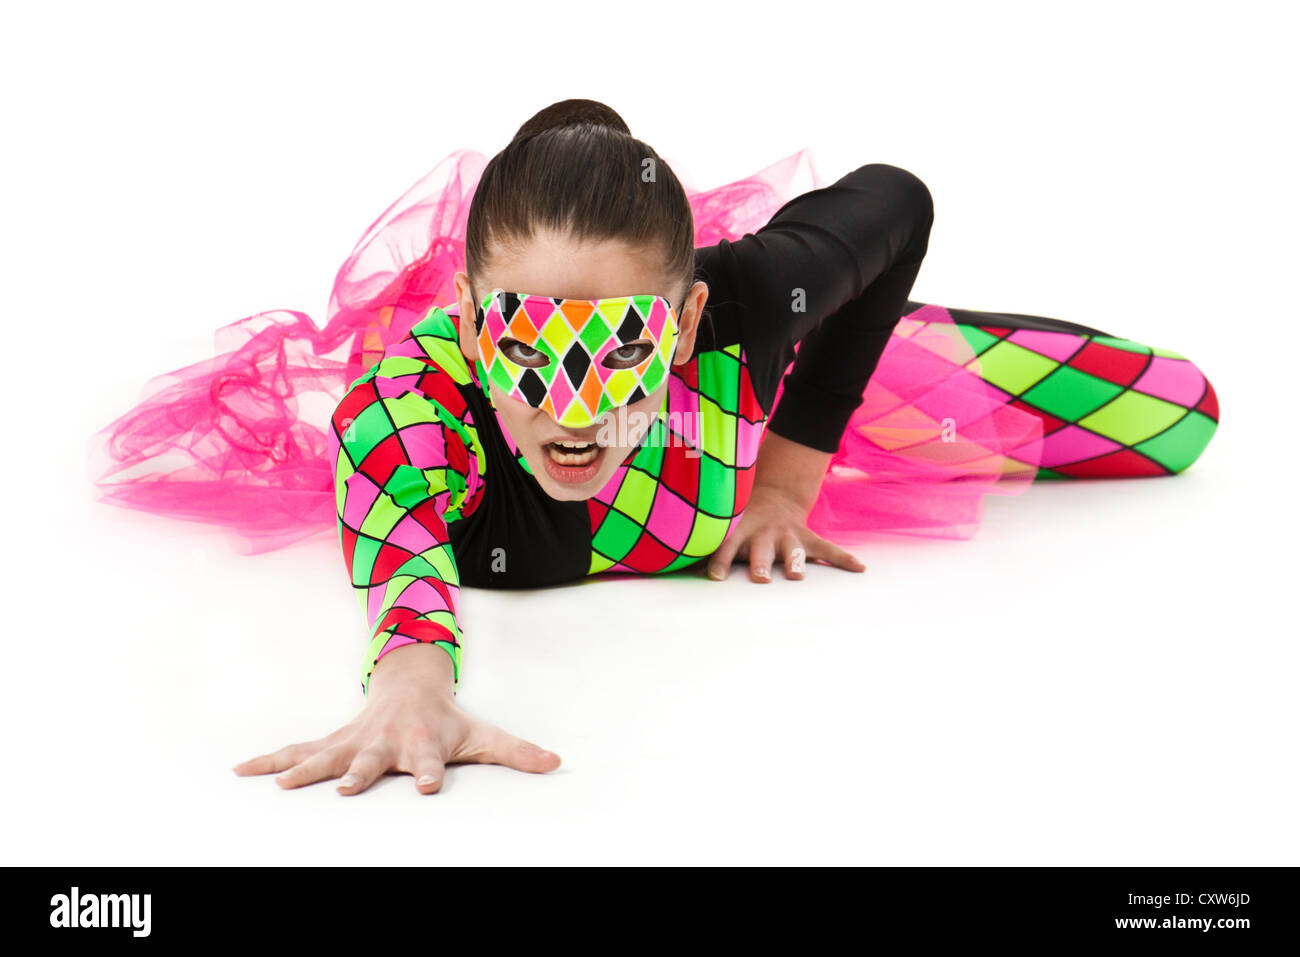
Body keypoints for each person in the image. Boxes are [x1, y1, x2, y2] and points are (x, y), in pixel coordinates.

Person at [91, 99, 1219, 796]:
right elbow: (405, 572)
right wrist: (411, 692)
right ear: (473, 321)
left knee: (1180, 413)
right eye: (529, 348)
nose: (573, 414)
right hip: (610, 437)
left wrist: (787, 474)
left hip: (780, 414)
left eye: (614, 348)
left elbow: (898, 201)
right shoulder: (410, 410)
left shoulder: (745, 304)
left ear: (679, 325)